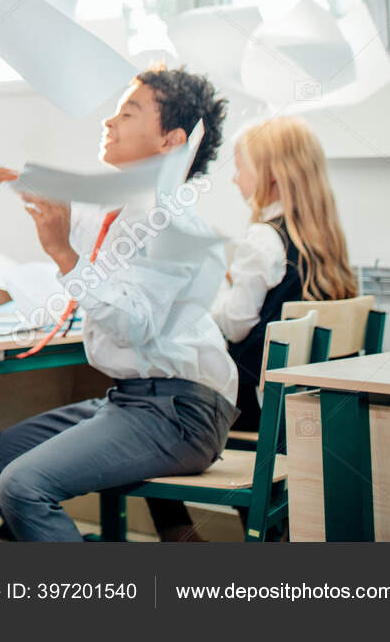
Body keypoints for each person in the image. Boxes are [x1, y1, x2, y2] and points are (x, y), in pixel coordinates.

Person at [0, 66, 237, 542]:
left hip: (180, 409)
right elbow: (104, 265)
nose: (109, 122)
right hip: (133, 399)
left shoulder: (171, 222)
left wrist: (63, 254)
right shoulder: (127, 213)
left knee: (22, 484)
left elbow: (134, 323)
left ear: (171, 142)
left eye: (128, 112)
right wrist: (57, 215)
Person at [147, 113, 356, 541]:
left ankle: (181, 538)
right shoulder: (326, 241)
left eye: (240, 167)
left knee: (150, 413)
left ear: (272, 176)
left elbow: (235, 325)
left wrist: (206, 295)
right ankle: (269, 530)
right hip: (305, 398)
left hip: (262, 401)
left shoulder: (262, 238)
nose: (234, 179)